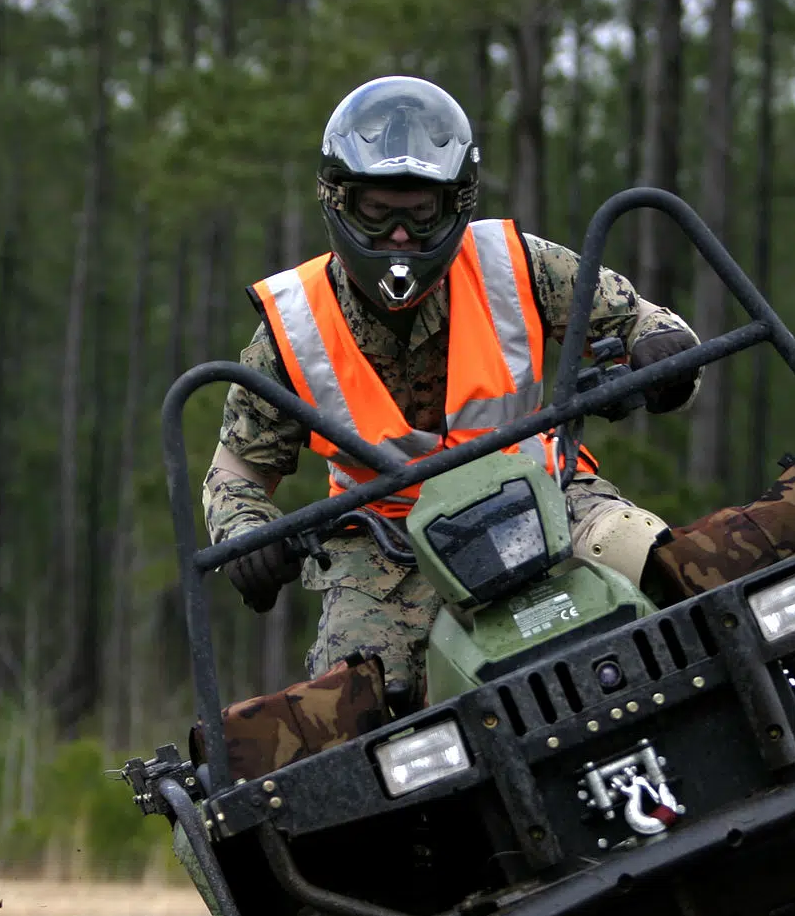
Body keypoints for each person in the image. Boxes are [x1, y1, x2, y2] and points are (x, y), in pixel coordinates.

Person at [202, 75, 703, 704]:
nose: (400, 236)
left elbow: (641, 319)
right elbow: (237, 469)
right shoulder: (293, 325)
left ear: (457, 204)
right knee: (353, 700)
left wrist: (663, 350)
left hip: (546, 496)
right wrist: (246, 536)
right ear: (338, 202)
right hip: (387, 550)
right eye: (377, 212)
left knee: (659, 564)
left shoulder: (514, 263)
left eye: (421, 214)